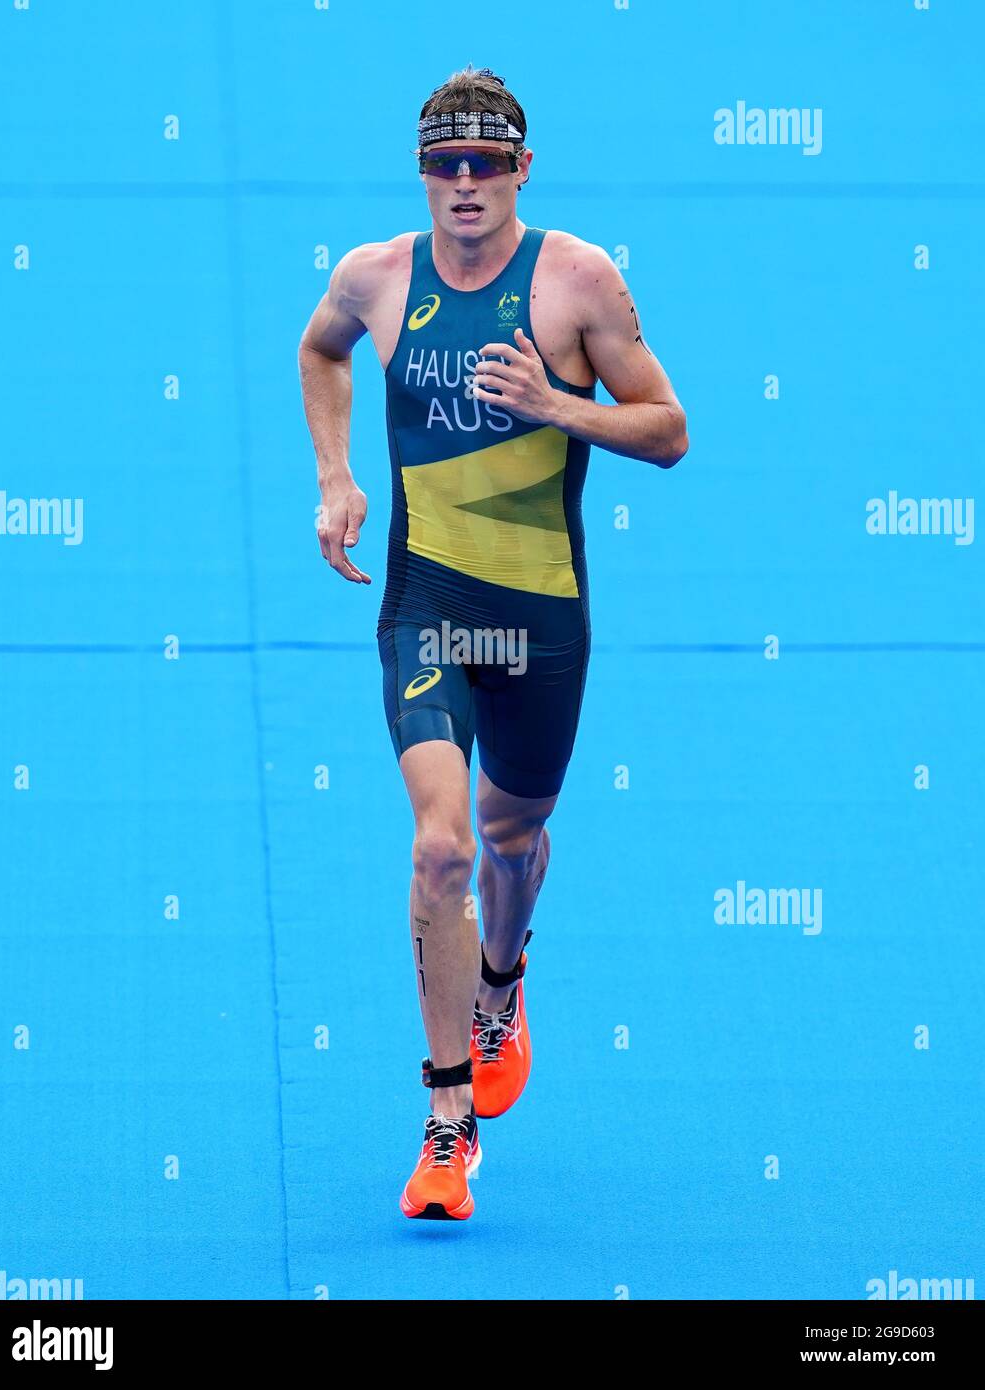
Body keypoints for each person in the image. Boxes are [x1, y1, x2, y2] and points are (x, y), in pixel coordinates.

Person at [299, 65, 688, 1221]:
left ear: (523, 169)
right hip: (425, 606)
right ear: (422, 173)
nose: (465, 185)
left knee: (514, 841)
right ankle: (445, 1120)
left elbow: (669, 430)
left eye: (487, 163)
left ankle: (503, 986)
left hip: (540, 618)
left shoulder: (578, 281)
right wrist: (336, 477)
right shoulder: (372, 279)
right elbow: (320, 351)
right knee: (442, 849)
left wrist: (559, 406)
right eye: (444, 164)